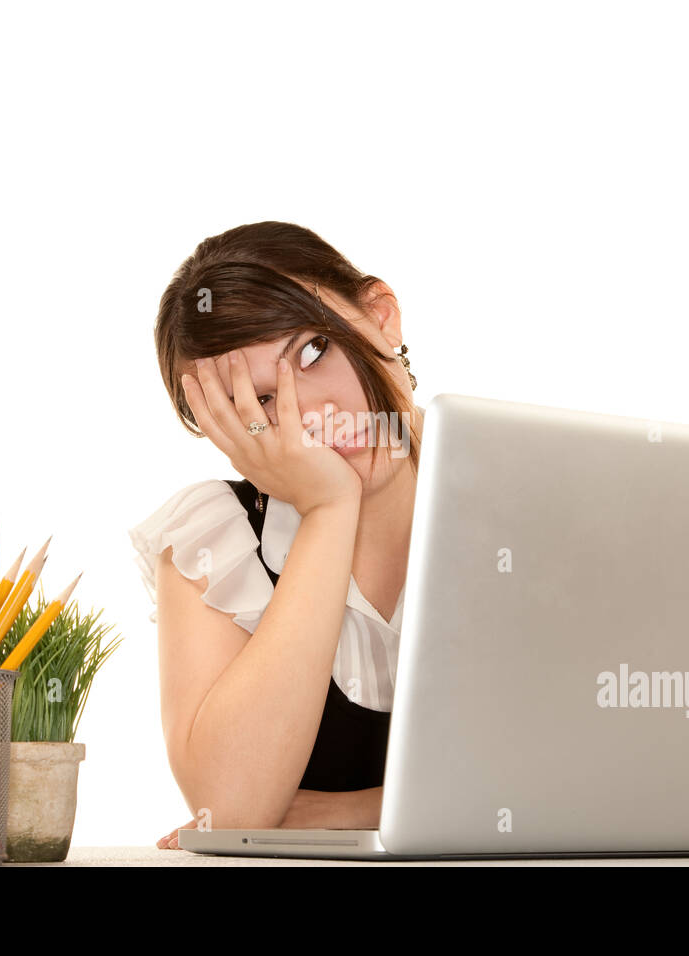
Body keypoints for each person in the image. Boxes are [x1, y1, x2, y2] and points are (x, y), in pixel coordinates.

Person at [128, 221, 424, 848]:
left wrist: (341, 812)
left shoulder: (518, 482)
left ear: (381, 317)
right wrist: (327, 510)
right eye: (258, 401)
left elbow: (598, 766)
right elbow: (232, 811)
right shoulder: (213, 541)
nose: (309, 414)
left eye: (313, 351)